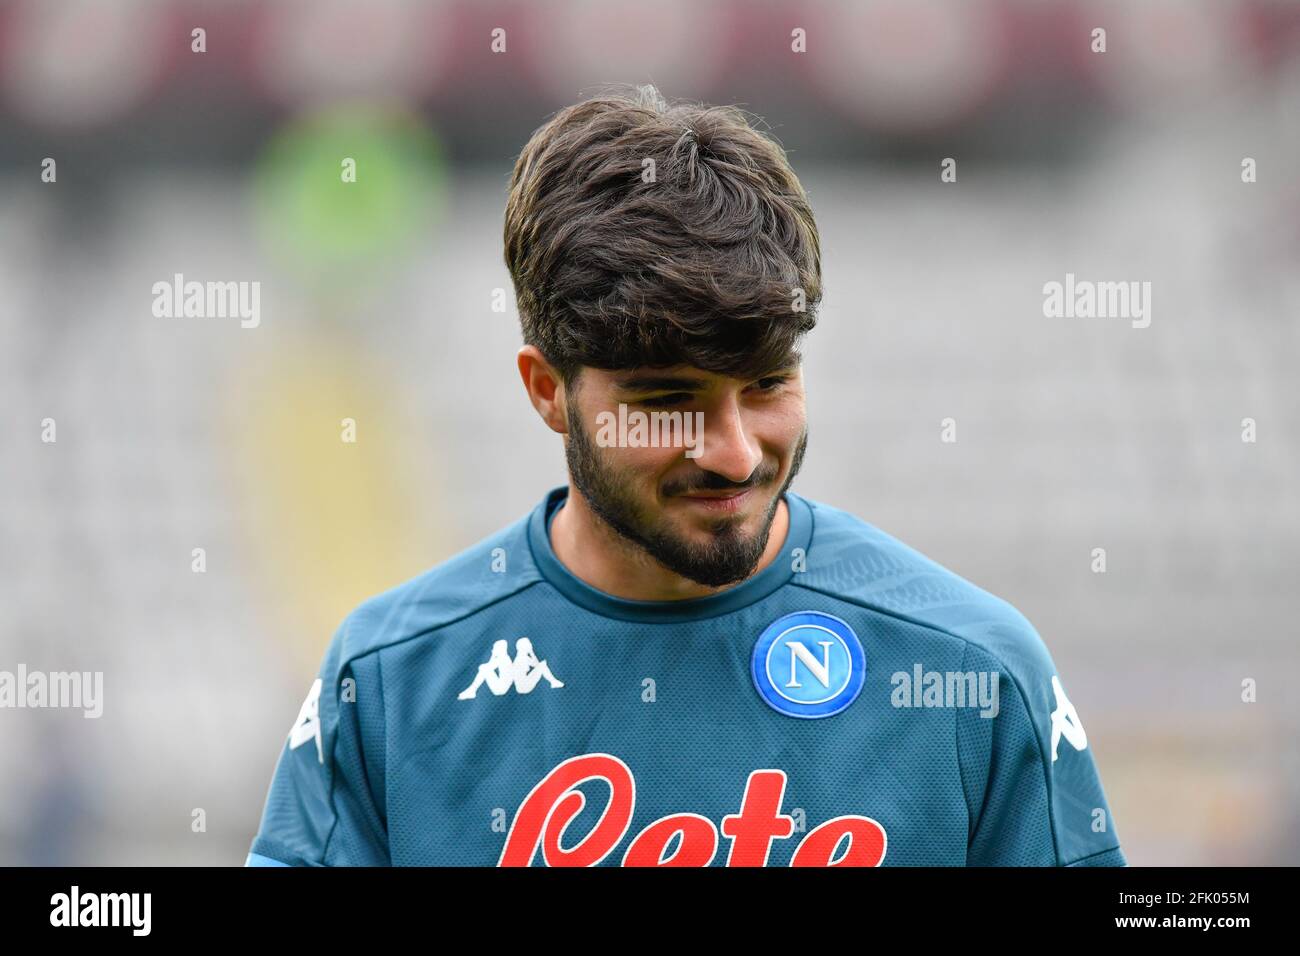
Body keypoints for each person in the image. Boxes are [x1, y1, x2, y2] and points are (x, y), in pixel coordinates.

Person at [246, 84, 1125, 867]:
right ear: (549, 392)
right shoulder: (390, 685)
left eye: (768, 384)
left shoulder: (972, 673)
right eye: (672, 400)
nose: (736, 453)